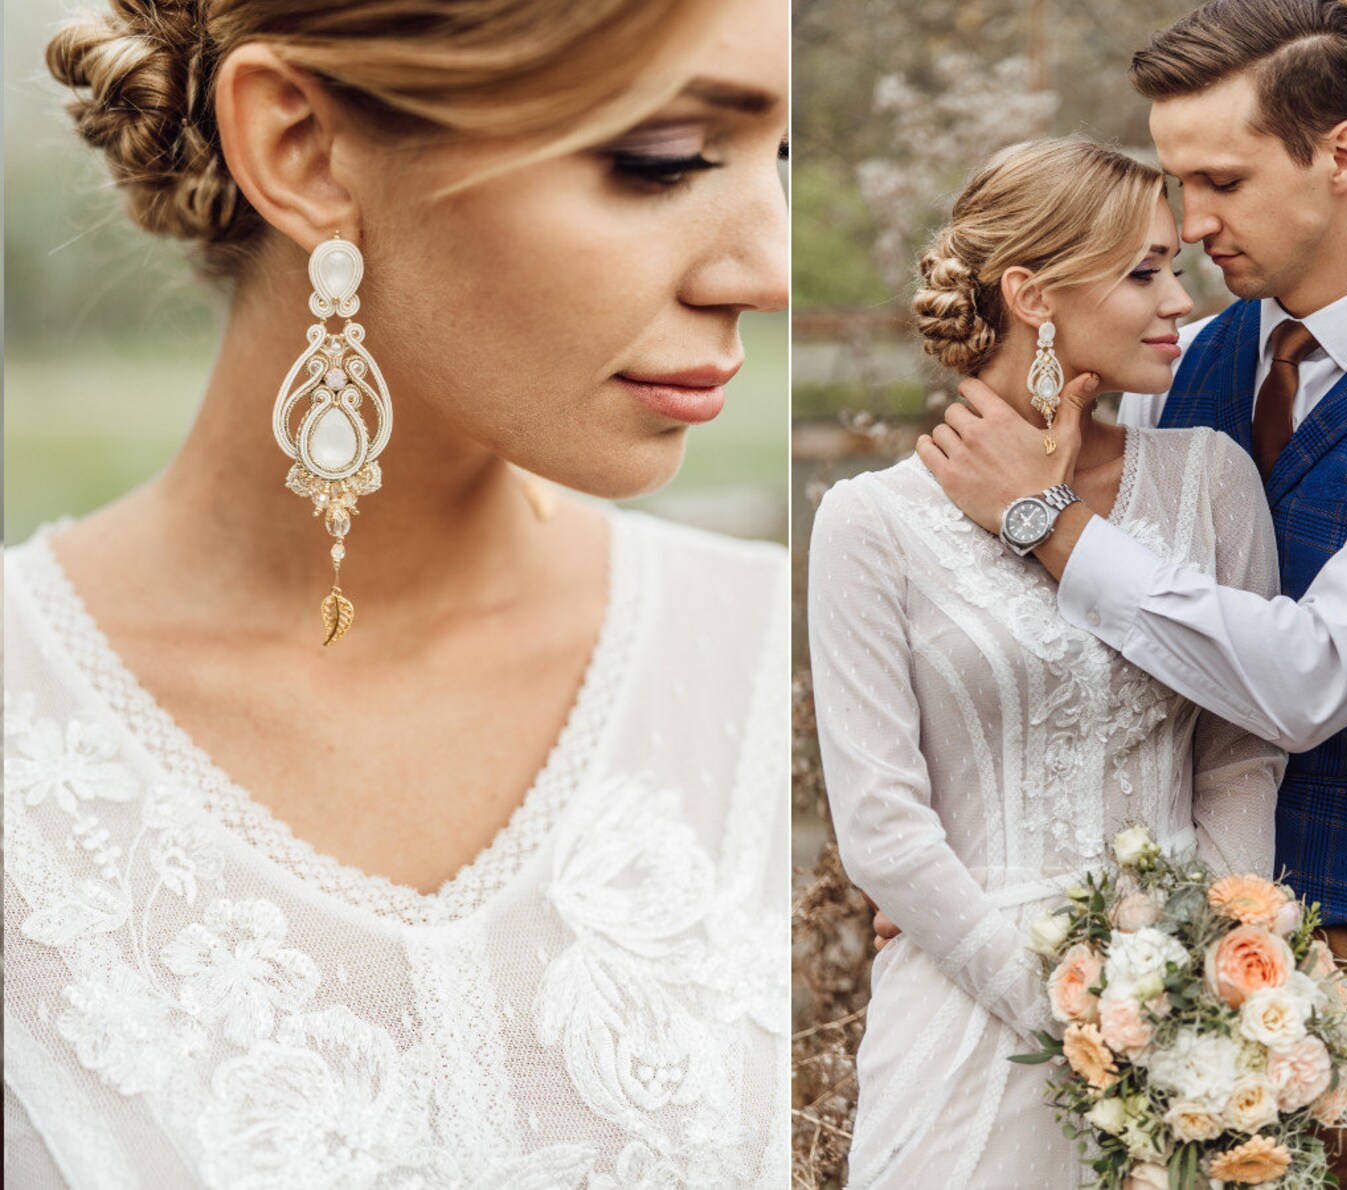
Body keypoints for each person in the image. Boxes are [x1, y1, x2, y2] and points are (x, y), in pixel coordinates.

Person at [3, 0, 790, 1186]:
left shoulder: (773, 652)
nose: (768, 269)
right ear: (302, 150)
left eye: (779, 157)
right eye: (661, 163)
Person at [917, 2, 1347, 1185]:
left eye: (1219, 177)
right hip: (1128, 949)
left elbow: (1304, 678)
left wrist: (1042, 518)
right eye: (1176, 181)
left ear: (1339, 154)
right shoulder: (1190, 356)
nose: (1190, 221)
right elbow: (1081, 650)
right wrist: (957, 872)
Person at [808, 137, 1285, 1187]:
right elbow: (883, 827)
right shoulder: (870, 522)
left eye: (1174, 262)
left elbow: (1240, 755)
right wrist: (1067, 1012)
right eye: (1143, 271)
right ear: (1031, 292)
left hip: (1183, 1027)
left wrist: (1194, 994)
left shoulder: (1211, 482)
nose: (1179, 298)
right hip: (968, 1020)